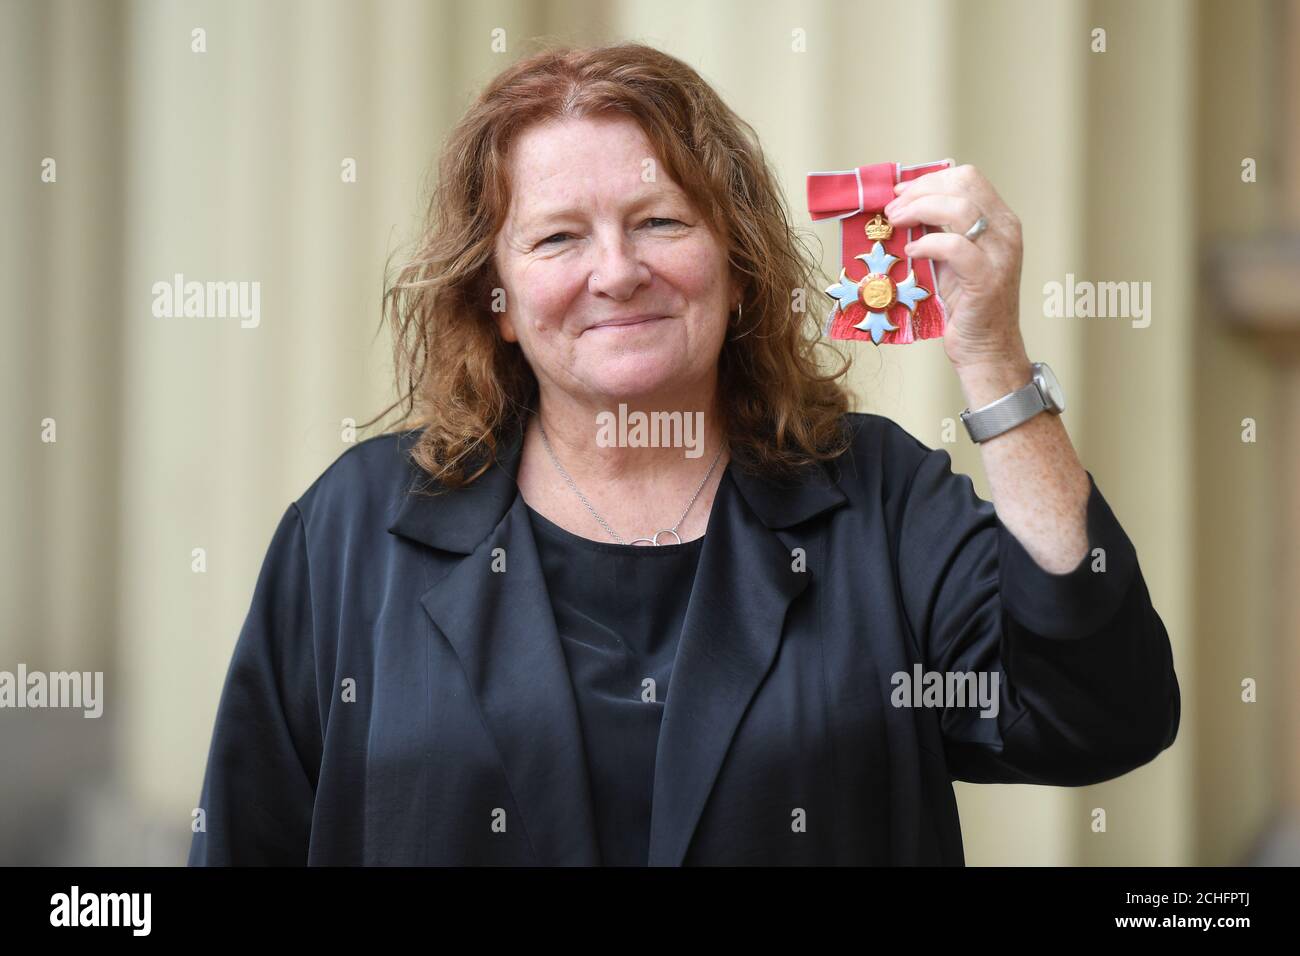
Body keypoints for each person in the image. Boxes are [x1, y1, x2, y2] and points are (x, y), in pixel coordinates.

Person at [187, 42, 1179, 866]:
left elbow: (1096, 710)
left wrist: (994, 363)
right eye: (557, 239)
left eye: (659, 221)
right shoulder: (356, 528)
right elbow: (247, 837)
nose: (616, 272)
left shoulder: (873, 498)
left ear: (738, 267)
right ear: (494, 302)